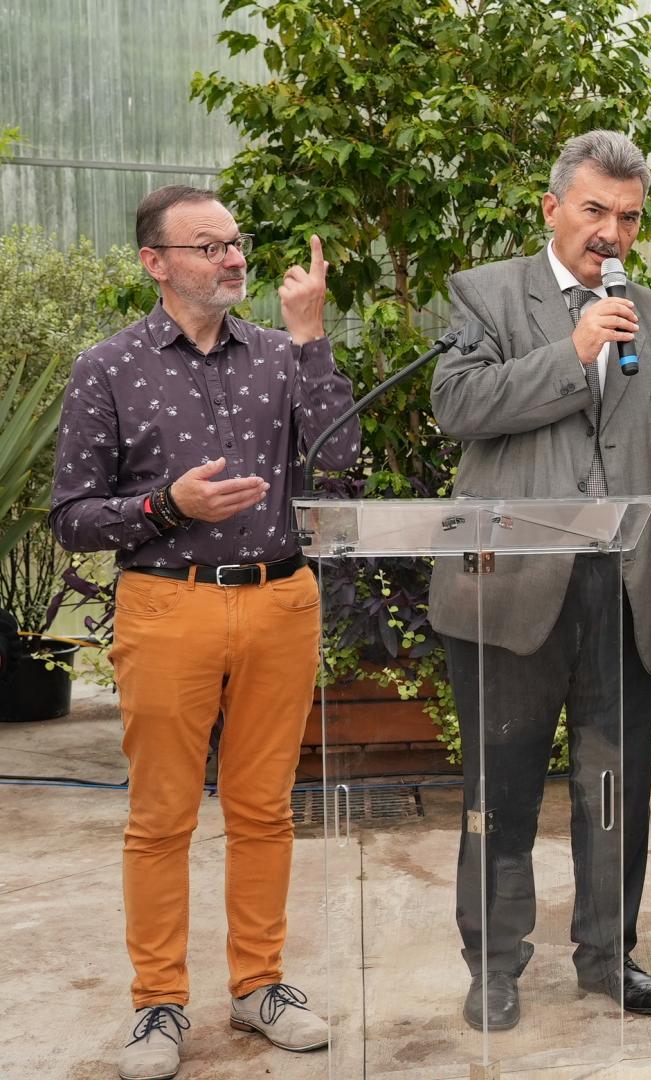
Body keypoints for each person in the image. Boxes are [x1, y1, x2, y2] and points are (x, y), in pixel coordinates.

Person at [50, 185, 355, 1080]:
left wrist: (310, 337)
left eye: (236, 243)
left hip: (278, 602)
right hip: (168, 604)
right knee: (161, 817)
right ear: (156, 263)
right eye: (209, 245)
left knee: (265, 809)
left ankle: (260, 987)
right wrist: (162, 505)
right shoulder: (107, 367)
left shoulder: (276, 356)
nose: (233, 258)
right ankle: (158, 1006)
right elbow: (72, 517)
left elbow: (338, 465)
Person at [427, 130, 651, 1029]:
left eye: (628, 217)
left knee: (612, 793)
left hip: (625, 597)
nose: (612, 234)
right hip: (510, 591)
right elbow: (457, 407)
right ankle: (495, 963)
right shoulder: (484, 295)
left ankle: (608, 956)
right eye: (594, 210)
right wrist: (576, 348)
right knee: (502, 791)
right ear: (552, 207)